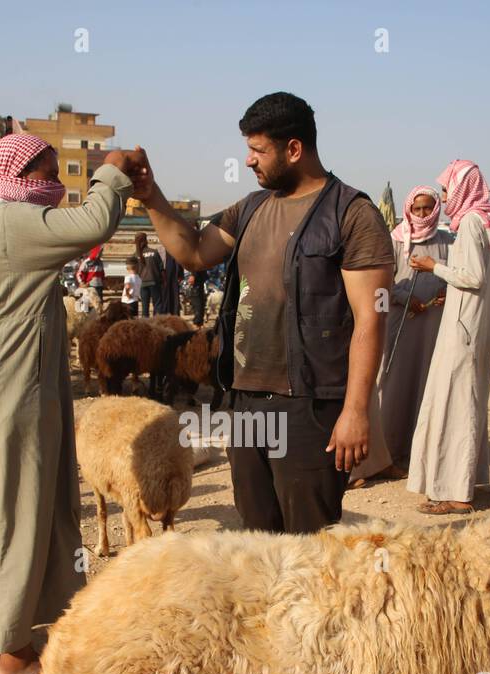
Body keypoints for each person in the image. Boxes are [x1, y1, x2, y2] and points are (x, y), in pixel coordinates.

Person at [0, 133, 142, 674]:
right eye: (46, 173)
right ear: (21, 177)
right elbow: (93, 224)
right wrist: (111, 170)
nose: (54, 186)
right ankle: (15, 652)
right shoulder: (12, 222)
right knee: (17, 510)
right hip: (4, 396)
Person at [133, 91, 393, 534]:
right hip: (244, 401)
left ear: (294, 149)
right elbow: (194, 251)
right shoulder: (250, 210)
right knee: (256, 536)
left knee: (309, 542)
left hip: (308, 408)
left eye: (258, 150)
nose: (248, 161)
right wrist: (150, 194)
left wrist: (355, 411)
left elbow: (370, 321)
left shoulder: (351, 214)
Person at [406, 160, 490, 515]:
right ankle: (460, 481)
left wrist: (434, 267)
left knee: (455, 403)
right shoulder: (488, 221)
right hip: (471, 323)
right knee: (464, 401)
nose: (444, 198)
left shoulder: (474, 223)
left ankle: (456, 492)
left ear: (462, 188)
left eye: (447, 190)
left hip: (462, 326)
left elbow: (473, 276)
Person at [349, 186, 449, 486]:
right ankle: (386, 453)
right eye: (417, 209)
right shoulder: (394, 239)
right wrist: (406, 298)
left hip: (432, 322)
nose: (422, 214)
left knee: (426, 381)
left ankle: (420, 450)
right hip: (401, 319)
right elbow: (382, 282)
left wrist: (447, 291)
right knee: (392, 381)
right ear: (408, 209)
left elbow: (454, 272)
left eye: (427, 209)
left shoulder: (446, 241)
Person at [133, 231, 164, 316]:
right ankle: (157, 322)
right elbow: (161, 269)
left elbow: (133, 271)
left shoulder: (135, 255)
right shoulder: (154, 252)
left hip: (142, 283)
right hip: (154, 282)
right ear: (146, 240)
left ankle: (145, 324)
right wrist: (163, 281)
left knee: (144, 306)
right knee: (157, 304)